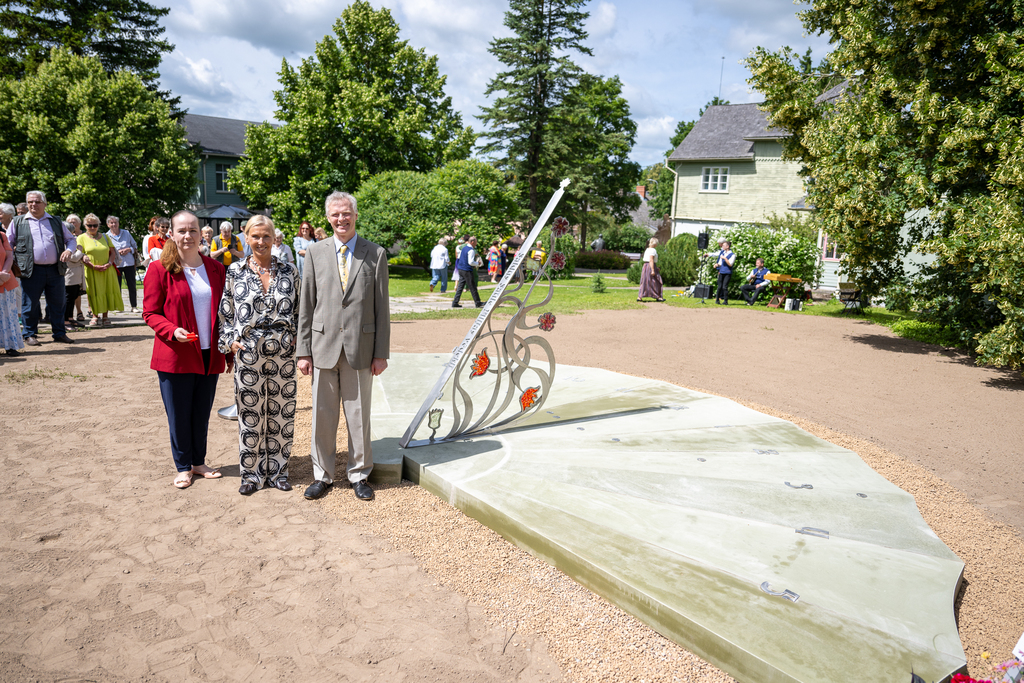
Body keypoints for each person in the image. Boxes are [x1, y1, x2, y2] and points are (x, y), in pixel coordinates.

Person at [297, 191, 390, 502]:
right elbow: (306, 305)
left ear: (355, 215)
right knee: (322, 416)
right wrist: (303, 350)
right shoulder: (314, 252)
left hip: (361, 349)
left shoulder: (375, 254)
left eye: (346, 213)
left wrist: (381, 353)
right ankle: (322, 476)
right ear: (328, 217)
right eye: (335, 214)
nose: (341, 219)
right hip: (323, 347)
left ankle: (359, 474)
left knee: (358, 416)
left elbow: (381, 307)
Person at [143, 210, 229, 489]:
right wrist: (172, 330)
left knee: (201, 413)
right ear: (172, 234)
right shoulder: (160, 269)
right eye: (182, 230)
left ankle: (199, 462)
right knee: (179, 414)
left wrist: (228, 352)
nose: (188, 235)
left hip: (208, 353)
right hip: (175, 355)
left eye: (193, 230)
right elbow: (150, 313)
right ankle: (182, 467)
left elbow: (225, 313)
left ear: (201, 232)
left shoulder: (216, 269)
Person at [219, 215, 299, 495]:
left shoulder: (290, 271)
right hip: (249, 354)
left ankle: (278, 472)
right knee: (250, 414)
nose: (261, 242)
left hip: (283, 353)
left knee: (281, 413)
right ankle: (251, 474)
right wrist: (230, 342)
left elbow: (300, 311)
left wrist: (298, 340)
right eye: (256, 236)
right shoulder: (235, 271)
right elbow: (225, 314)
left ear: (274, 237)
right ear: (246, 237)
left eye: (266, 236)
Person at [6, 191, 76, 346]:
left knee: (58, 303)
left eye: (37, 201)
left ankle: (59, 333)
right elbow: (8, 245)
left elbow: (71, 240)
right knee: (29, 304)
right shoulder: (18, 222)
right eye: (30, 202)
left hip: (55, 269)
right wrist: (10, 264)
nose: (33, 205)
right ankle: (29, 334)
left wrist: (68, 250)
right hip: (31, 270)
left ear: (45, 203)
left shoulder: (56, 221)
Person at [78, 214, 124, 327]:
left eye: (95, 225)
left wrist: (109, 263)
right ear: (85, 225)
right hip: (91, 270)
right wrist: (92, 265)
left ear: (99, 225)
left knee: (107, 291)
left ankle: (105, 316)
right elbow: (80, 254)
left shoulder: (105, 236)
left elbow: (112, 252)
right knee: (93, 292)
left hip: (107, 269)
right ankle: (94, 315)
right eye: (89, 225)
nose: (92, 228)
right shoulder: (81, 238)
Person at [0, 211, 23, 356]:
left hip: (5, 281)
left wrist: (4, 274)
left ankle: (10, 346)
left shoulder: (2, 236)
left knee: (8, 314)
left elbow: (9, 256)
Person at [105, 215, 139, 313]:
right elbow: (107, 250)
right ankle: (118, 306)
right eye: (111, 223)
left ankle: (134, 306)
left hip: (129, 262)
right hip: (116, 264)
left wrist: (129, 249)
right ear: (108, 225)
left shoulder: (126, 233)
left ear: (118, 223)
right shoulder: (106, 236)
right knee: (116, 286)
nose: (114, 224)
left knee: (132, 285)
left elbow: (135, 246)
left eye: (115, 222)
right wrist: (116, 252)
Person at [62, 214, 86, 329]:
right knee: (68, 298)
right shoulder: (63, 242)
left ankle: (71, 318)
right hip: (69, 274)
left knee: (74, 296)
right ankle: (65, 321)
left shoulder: (72, 241)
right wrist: (80, 251)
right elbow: (73, 257)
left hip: (76, 274)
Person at [451, 235, 483, 308]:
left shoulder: (464, 248)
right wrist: (478, 263)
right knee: (472, 287)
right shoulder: (471, 250)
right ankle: (478, 302)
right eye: (475, 243)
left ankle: (455, 302)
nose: (476, 244)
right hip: (467, 270)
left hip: (461, 269)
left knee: (460, 287)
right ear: (472, 242)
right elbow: (470, 262)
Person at [637, 238, 665, 302]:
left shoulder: (647, 249)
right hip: (650, 265)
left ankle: (640, 296)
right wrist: (652, 269)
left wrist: (655, 268)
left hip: (646, 266)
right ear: (654, 243)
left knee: (645, 281)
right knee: (658, 281)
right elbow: (651, 260)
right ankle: (658, 296)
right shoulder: (653, 250)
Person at [714, 240, 736, 305]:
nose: (722, 246)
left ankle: (725, 301)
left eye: (724, 245)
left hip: (727, 272)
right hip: (722, 271)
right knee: (719, 286)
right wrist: (717, 264)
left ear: (728, 246)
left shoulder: (732, 255)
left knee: (724, 287)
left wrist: (725, 258)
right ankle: (717, 300)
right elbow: (720, 263)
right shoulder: (723, 253)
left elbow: (730, 264)